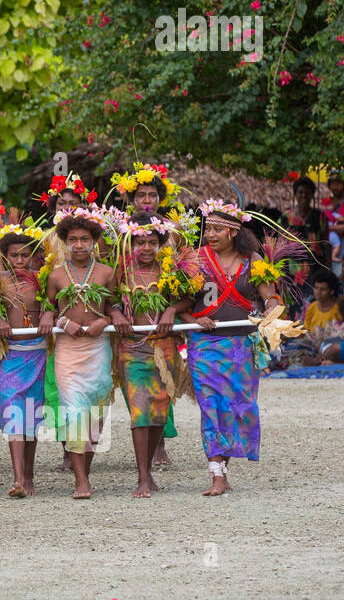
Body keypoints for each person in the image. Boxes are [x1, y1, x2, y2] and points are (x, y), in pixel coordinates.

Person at [178, 200, 281, 497]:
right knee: (212, 407)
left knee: (238, 406)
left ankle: (224, 468)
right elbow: (181, 304)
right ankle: (216, 475)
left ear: (233, 232)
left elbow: (269, 295)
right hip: (205, 346)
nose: (211, 234)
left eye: (218, 229)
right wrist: (194, 319)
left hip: (241, 345)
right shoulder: (195, 260)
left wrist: (272, 308)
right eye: (208, 228)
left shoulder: (253, 260)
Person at [112, 213, 195, 497]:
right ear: (130, 242)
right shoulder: (121, 270)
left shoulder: (171, 269)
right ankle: (143, 477)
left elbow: (189, 295)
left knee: (159, 409)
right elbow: (108, 299)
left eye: (151, 242)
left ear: (160, 243)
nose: (145, 248)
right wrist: (115, 314)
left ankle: (146, 468)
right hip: (132, 348)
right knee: (139, 410)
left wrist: (172, 309)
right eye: (140, 242)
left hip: (165, 347)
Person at [40, 209, 117, 499]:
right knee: (73, 413)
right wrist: (59, 321)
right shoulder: (56, 275)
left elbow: (115, 308)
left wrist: (104, 321)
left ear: (94, 241)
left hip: (98, 350)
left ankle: (84, 471)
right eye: (73, 239)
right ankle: (81, 481)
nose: (80, 244)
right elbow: (49, 308)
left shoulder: (107, 272)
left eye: (85, 238)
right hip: (68, 352)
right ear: (64, 242)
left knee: (95, 415)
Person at [0, 223, 48, 498]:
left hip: (36, 354)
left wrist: (48, 313)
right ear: (5, 257)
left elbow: (54, 302)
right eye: (14, 256)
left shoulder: (41, 278)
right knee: (13, 413)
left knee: (31, 417)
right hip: (10, 355)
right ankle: (17, 478)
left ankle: (30, 475)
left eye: (25, 255)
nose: (20, 261)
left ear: (33, 257)